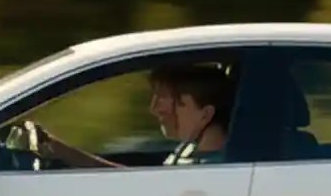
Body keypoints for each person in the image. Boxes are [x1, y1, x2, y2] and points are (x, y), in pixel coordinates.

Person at [27, 62, 236, 169]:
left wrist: (67, 153)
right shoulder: (190, 151)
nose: (154, 109)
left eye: (166, 99)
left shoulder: (212, 171)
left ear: (205, 114)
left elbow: (148, 191)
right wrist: (64, 152)